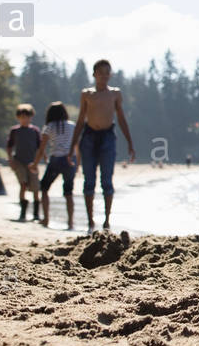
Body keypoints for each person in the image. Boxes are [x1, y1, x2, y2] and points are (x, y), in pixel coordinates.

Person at [70, 59, 136, 233]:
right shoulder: (87, 94)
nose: (104, 76)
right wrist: (72, 145)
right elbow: (80, 120)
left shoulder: (115, 94)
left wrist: (130, 142)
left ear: (110, 74)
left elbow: (121, 118)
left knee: (107, 180)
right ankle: (90, 220)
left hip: (108, 137)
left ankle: (107, 220)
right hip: (89, 136)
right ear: (94, 74)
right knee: (88, 180)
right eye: (101, 72)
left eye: (107, 72)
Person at [34, 101, 77, 230]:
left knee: (45, 188)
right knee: (68, 192)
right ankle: (70, 223)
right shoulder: (72, 126)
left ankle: (46, 219)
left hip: (56, 159)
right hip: (70, 160)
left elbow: (42, 148)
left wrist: (35, 164)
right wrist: (78, 164)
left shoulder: (49, 127)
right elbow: (77, 146)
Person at [5, 103, 41, 222]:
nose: (25, 119)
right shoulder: (15, 131)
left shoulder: (35, 131)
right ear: (18, 117)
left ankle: (36, 214)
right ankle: (23, 213)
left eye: (27, 117)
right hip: (19, 161)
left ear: (31, 117)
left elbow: (40, 147)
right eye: (22, 117)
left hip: (32, 162)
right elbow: (9, 146)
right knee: (23, 185)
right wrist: (10, 160)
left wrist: (40, 160)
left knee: (35, 188)